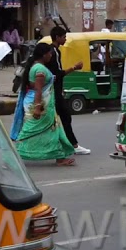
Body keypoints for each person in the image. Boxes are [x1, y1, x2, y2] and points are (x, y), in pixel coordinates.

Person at [14, 43, 80, 166]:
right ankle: (12, 155)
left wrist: (73, 68)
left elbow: (50, 80)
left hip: (46, 106)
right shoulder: (40, 69)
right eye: (50, 53)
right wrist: (37, 108)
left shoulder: (38, 67)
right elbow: (38, 89)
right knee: (30, 131)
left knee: (55, 130)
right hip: (40, 106)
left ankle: (60, 157)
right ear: (44, 55)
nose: (51, 55)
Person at [40, 27, 90, 157]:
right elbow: (57, 73)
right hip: (52, 90)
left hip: (54, 89)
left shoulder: (54, 51)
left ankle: (65, 144)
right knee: (65, 116)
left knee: (58, 118)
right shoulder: (54, 52)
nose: (65, 39)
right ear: (57, 37)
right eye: (63, 37)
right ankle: (73, 145)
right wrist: (74, 68)